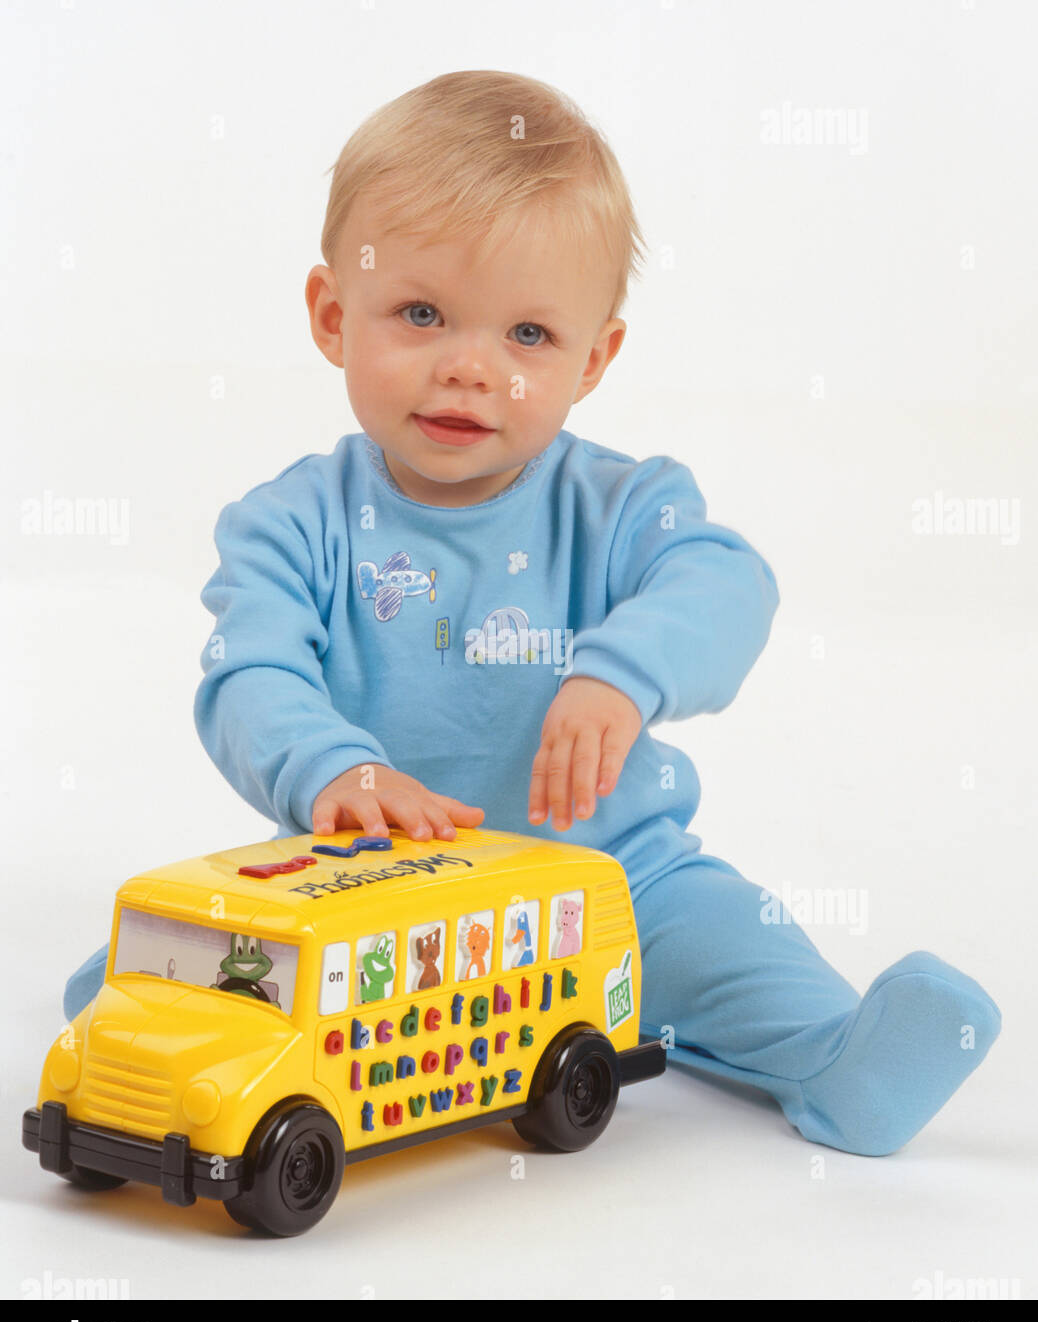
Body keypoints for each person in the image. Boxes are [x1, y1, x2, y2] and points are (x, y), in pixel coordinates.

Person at [63, 70, 1000, 1155]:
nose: (470, 367)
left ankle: (842, 1061)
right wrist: (334, 771)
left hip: (615, 880)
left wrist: (622, 668)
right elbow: (248, 674)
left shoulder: (621, 504)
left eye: (528, 337)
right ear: (333, 315)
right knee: (202, 972)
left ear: (594, 358)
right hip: (370, 900)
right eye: (421, 314)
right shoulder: (290, 522)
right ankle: (154, 1032)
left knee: (737, 949)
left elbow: (728, 583)